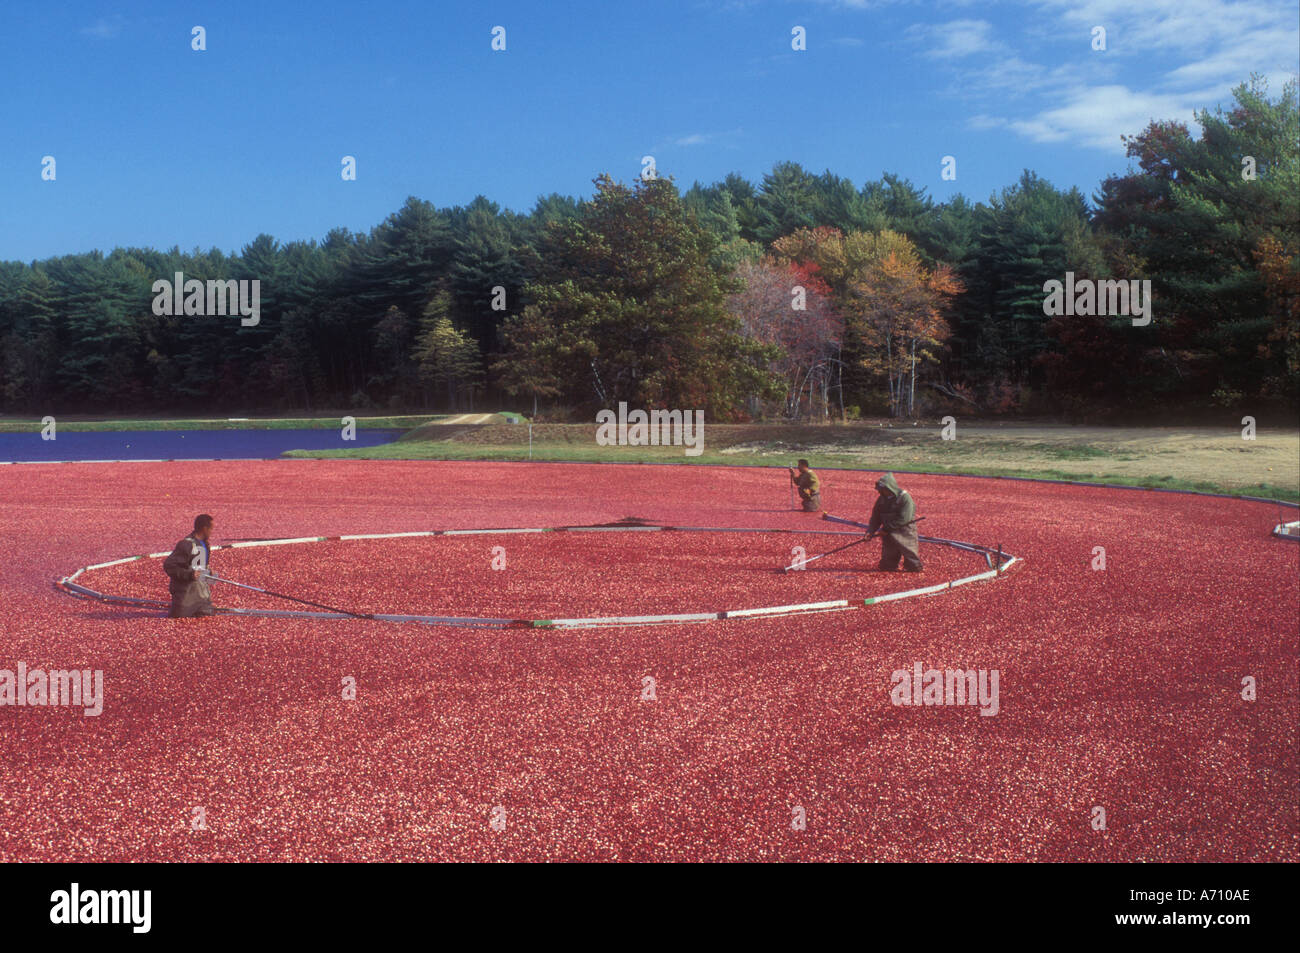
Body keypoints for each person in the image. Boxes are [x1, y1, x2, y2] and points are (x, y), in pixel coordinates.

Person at [866, 474, 923, 572]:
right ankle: (889, 565)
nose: (880, 491)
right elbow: (876, 517)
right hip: (889, 533)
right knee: (888, 561)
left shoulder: (904, 498)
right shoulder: (881, 500)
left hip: (905, 531)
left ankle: (913, 568)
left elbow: (904, 518)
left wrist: (886, 529)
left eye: (882, 489)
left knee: (910, 554)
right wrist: (870, 531)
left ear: (890, 487)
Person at [163, 514, 216, 618]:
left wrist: (209, 571)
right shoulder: (186, 545)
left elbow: (200, 566)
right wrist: (189, 574)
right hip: (186, 596)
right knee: (180, 619)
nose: (212, 532)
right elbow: (169, 566)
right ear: (204, 529)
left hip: (202, 595)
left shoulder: (205, 545)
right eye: (211, 529)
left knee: (206, 618)